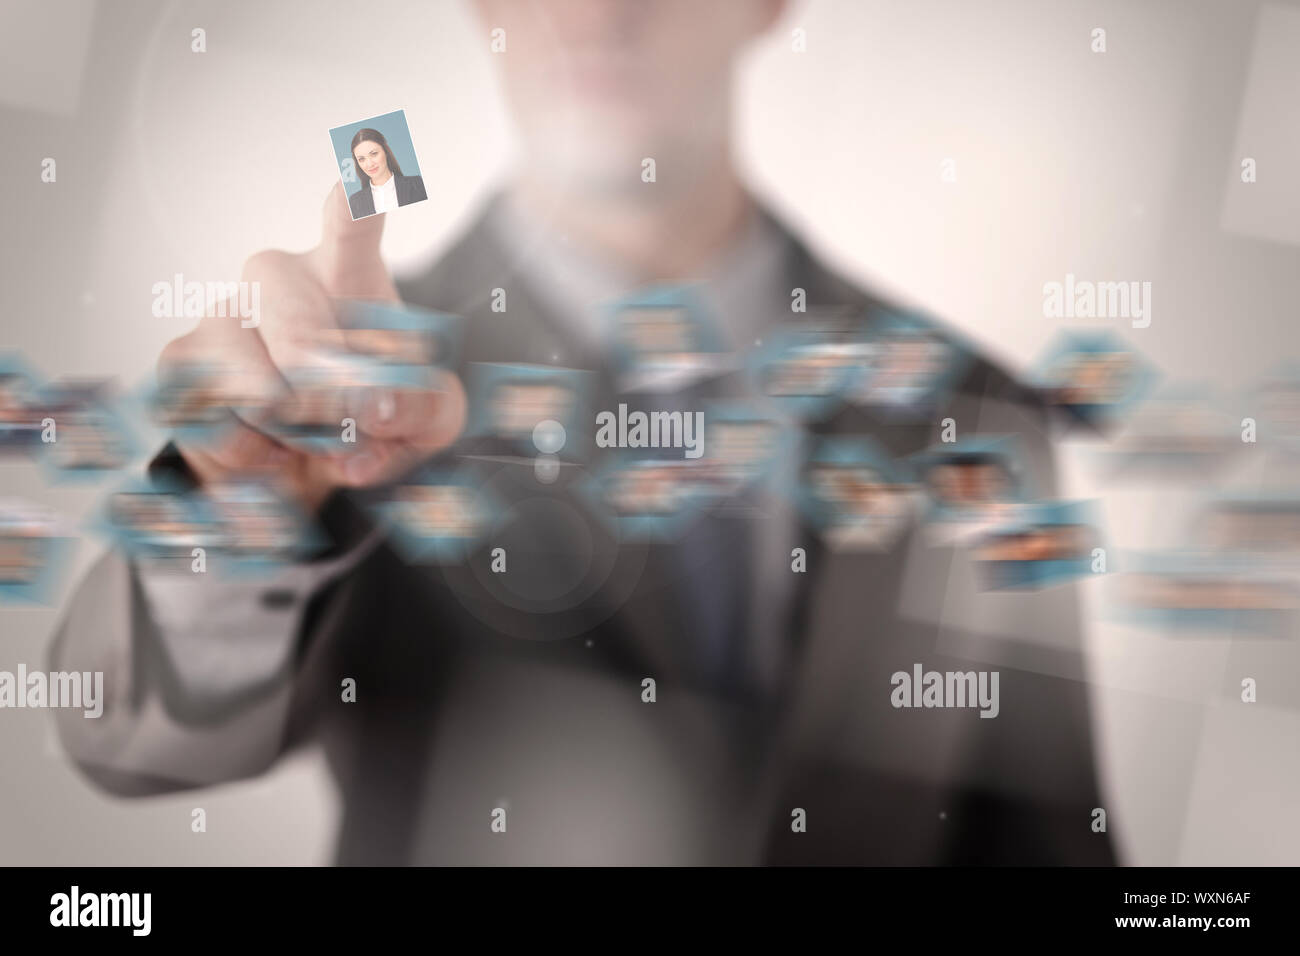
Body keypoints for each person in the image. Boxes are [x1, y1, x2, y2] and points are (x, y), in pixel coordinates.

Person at [49, 0, 1116, 866]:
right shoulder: (339, 380)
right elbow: (130, 738)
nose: (601, 11)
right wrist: (245, 505)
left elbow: (1047, 837)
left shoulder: (970, 407)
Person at [346, 127, 428, 220]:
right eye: (362, 159)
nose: (369, 164)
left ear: (385, 152)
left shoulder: (417, 184)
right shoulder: (355, 202)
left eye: (374, 154)